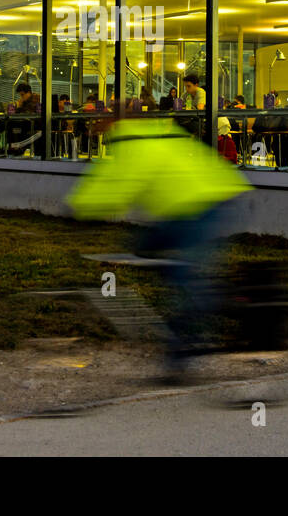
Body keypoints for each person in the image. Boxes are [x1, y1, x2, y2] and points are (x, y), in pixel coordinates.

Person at [67, 114, 251, 380]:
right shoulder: (147, 135)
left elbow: (115, 187)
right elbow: (112, 181)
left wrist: (79, 209)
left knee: (185, 279)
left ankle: (182, 350)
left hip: (202, 207)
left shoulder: (135, 147)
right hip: (186, 208)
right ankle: (189, 295)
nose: (96, 127)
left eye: (101, 123)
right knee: (142, 251)